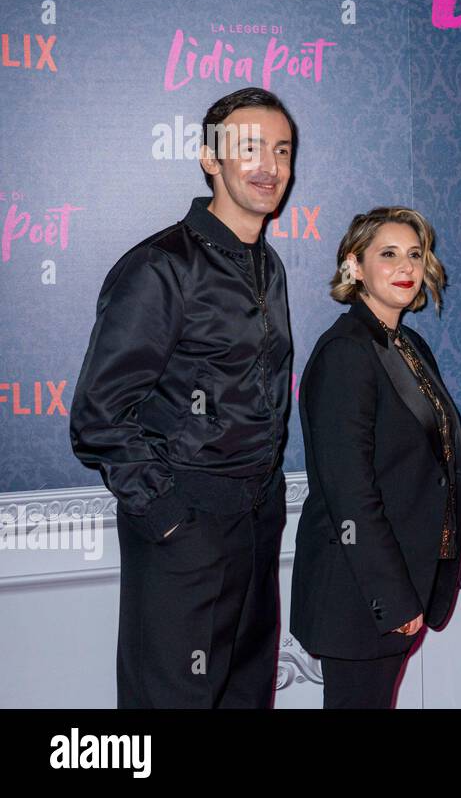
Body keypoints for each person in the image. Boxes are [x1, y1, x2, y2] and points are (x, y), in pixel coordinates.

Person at [70, 86, 295, 708]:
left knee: (245, 698)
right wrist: (170, 520)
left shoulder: (268, 267)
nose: (269, 165)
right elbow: (98, 417)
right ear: (208, 158)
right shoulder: (160, 267)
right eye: (249, 148)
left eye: (281, 150)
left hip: (257, 521)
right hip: (185, 520)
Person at [290, 208, 461, 708]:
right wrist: (390, 596)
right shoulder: (345, 352)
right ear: (355, 266)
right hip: (360, 592)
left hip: (400, 577)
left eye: (414, 254)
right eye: (387, 254)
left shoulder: (406, 344)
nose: (405, 266)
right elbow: (350, 491)